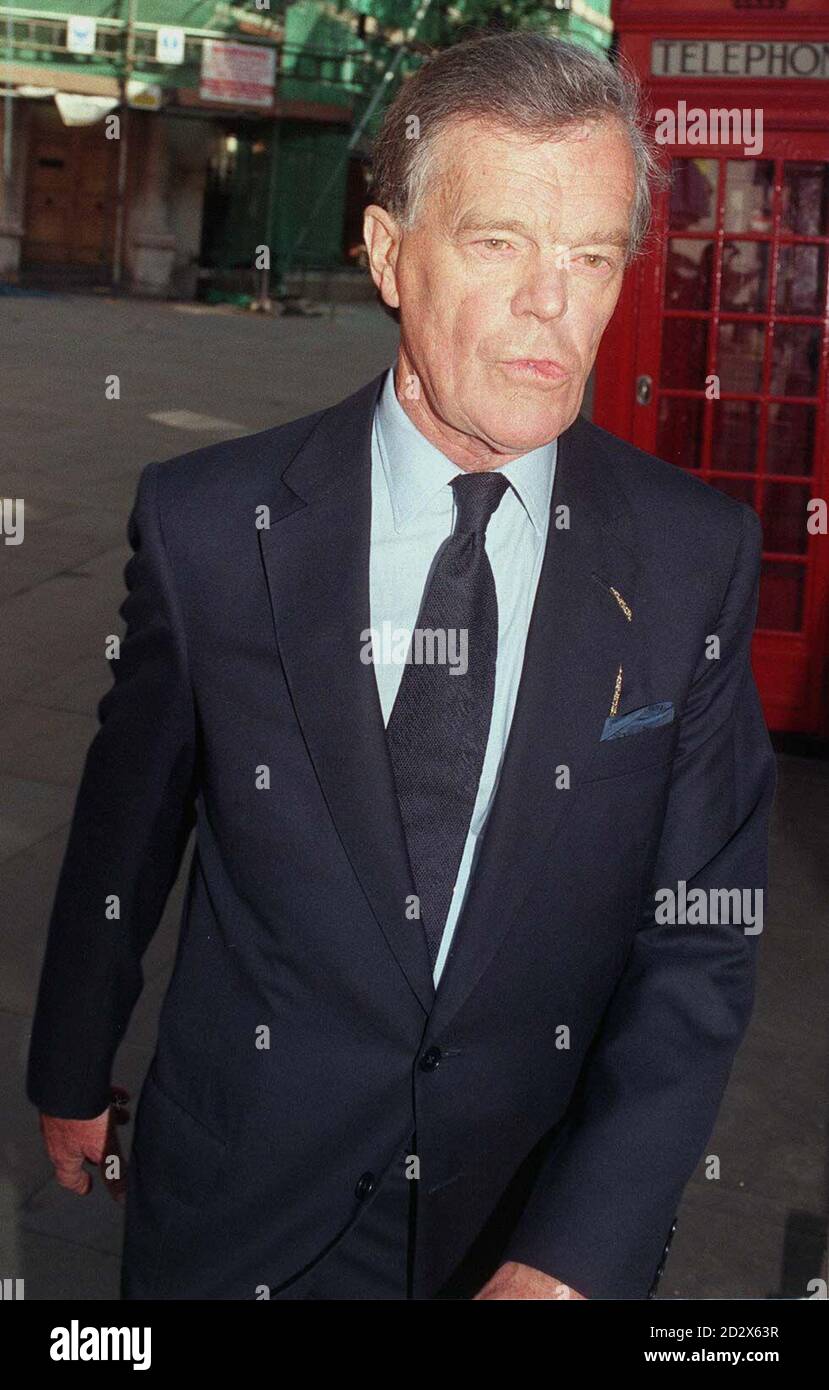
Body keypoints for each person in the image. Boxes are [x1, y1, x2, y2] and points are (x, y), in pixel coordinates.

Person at [26, 31, 776, 1301]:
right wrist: (69, 1059)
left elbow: (699, 938)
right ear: (385, 253)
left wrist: (574, 1256)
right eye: (499, 244)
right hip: (239, 1206)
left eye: (591, 256)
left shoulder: (694, 553)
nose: (555, 302)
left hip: (526, 1214)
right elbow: (126, 825)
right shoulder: (214, 523)